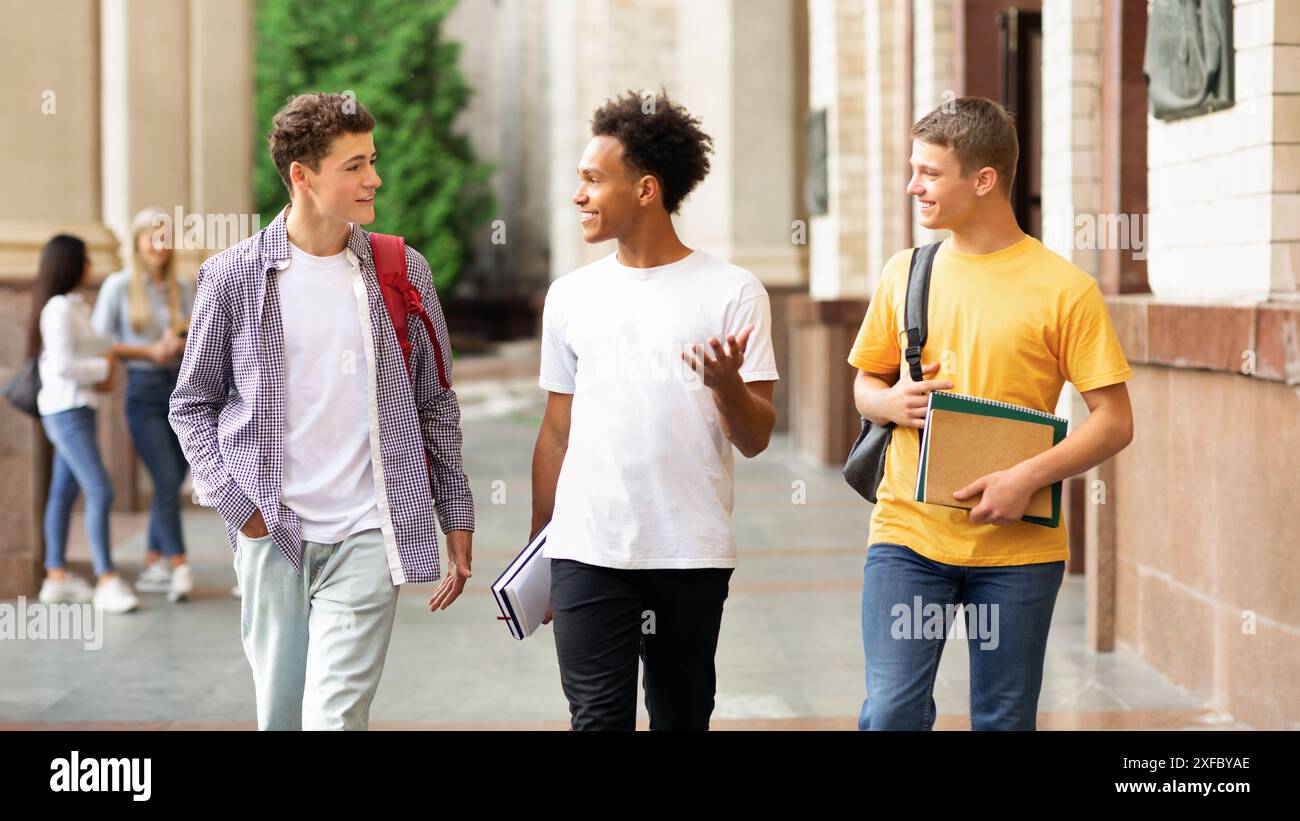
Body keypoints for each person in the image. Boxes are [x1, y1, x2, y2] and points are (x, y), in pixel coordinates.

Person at [169, 92, 474, 730]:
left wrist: (456, 516)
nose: (374, 178)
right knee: (281, 719)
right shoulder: (234, 276)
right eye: (354, 165)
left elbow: (435, 404)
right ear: (302, 176)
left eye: (373, 160)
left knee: (335, 718)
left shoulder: (402, 271)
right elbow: (193, 403)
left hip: (369, 525)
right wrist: (240, 505)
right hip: (272, 529)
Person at [848, 97, 1135, 730]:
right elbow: (866, 381)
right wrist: (887, 402)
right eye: (912, 168)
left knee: (1004, 719)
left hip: (1019, 550)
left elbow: (1115, 420)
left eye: (928, 172)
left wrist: (1025, 478)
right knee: (891, 711)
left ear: (982, 180)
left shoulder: (1065, 288)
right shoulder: (906, 273)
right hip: (908, 536)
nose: (911, 185)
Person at [531, 90, 779, 731]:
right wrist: (543, 548)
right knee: (597, 719)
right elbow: (557, 430)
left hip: (688, 550)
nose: (578, 195)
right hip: (587, 548)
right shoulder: (570, 296)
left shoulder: (734, 292)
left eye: (592, 179)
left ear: (645, 189)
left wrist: (726, 385)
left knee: (680, 716)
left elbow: (755, 439)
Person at [30, 234, 139, 614]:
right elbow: (62, 365)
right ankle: (106, 578)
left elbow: (87, 352)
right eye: (86, 257)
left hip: (78, 408)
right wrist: (103, 368)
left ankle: (55, 577)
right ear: (71, 263)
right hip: (65, 411)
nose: (91, 264)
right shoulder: (59, 308)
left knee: (62, 492)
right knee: (101, 490)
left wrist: (101, 365)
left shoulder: (73, 305)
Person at [92, 207, 194, 602]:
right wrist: (149, 352)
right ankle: (179, 564)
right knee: (167, 480)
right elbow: (102, 342)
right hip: (143, 393)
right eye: (152, 236)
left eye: (165, 237)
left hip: (182, 392)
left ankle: (153, 558)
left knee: (174, 475)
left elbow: (195, 336)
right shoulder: (118, 287)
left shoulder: (181, 288)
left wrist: (177, 345)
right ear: (137, 241)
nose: (159, 245)